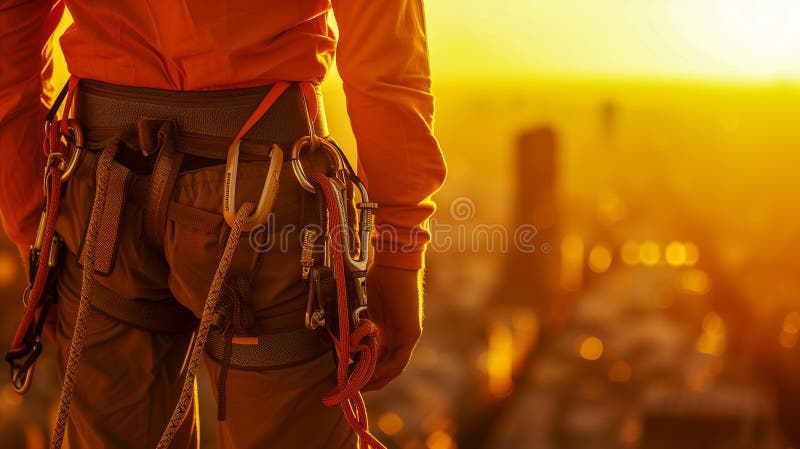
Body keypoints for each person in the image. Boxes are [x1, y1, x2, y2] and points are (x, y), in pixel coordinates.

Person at [0, 1, 446, 448]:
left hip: (103, 196)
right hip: (266, 193)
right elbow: (384, 61)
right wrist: (397, 247)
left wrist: (33, 226)